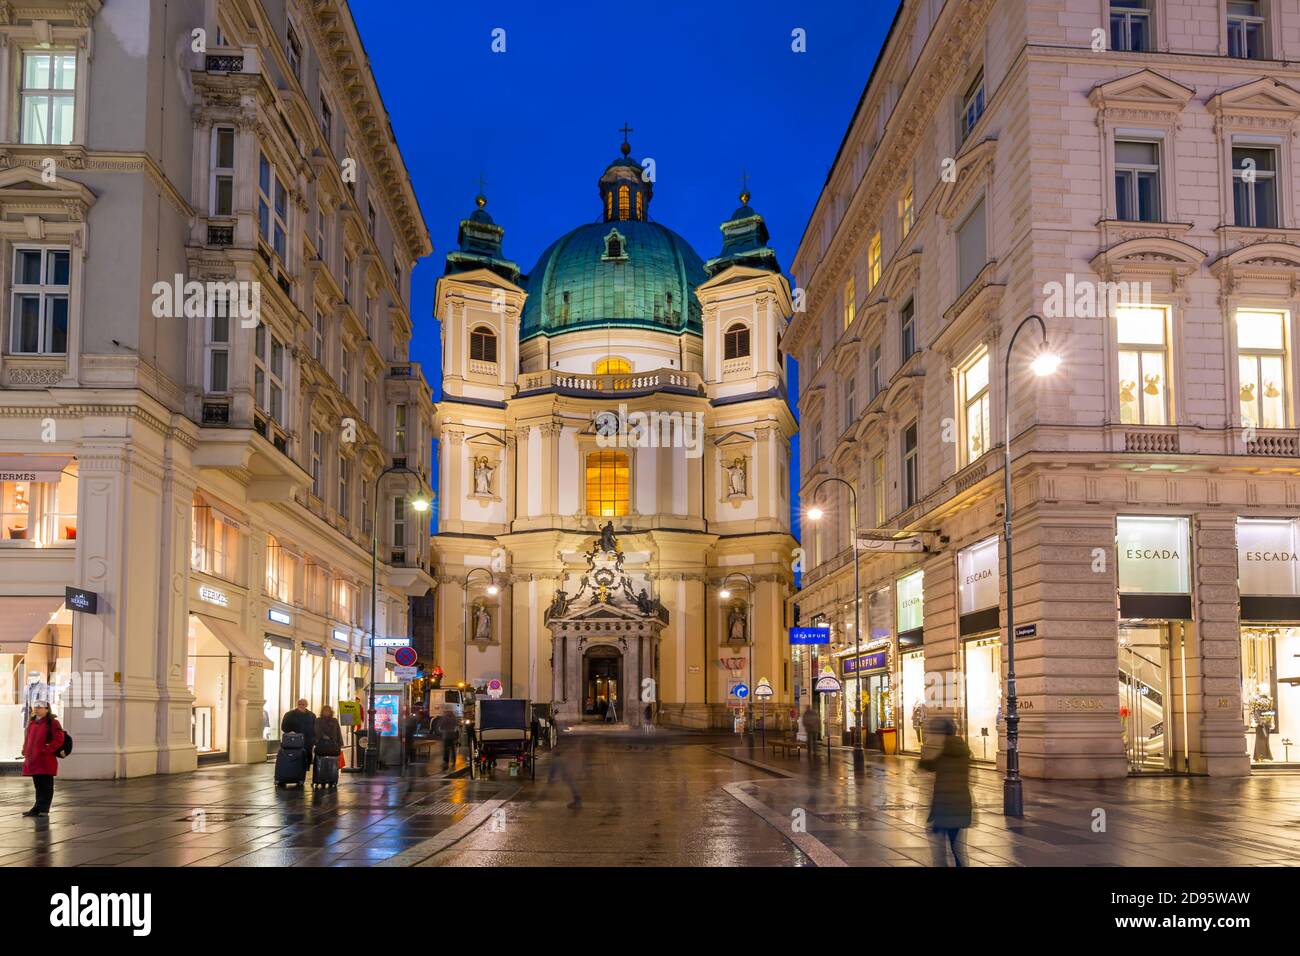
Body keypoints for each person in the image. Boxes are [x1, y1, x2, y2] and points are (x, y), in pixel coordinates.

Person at [919, 717, 973, 867]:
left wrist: (928, 746)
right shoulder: (963, 750)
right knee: (957, 848)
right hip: (961, 805)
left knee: (940, 851)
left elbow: (929, 765)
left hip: (944, 806)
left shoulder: (944, 752)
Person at [22, 701, 65, 817]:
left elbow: (59, 739)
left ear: (47, 709)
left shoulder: (53, 723)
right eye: (35, 707)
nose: (37, 709)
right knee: (38, 785)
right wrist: (25, 750)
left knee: (46, 785)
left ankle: (44, 808)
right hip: (34, 759)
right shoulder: (32, 723)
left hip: (45, 759)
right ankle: (37, 808)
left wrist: (47, 750)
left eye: (40, 707)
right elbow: (28, 739)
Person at [281, 699, 317, 769]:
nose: (301, 706)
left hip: (308, 741)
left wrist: (314, 739)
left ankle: (306, 768)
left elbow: (315, 728)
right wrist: (290, 732)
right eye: (299, 704)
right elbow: (284, 726)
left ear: (306, 705)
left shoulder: (312, 715)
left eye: (303, 704)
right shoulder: (289, 714)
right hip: (294, 741)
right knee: (296, 757)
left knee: (307, 759)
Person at [313, 705, 344, 783]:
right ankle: (319, 779)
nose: (326, 712)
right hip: (321, 744)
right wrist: (322, 737)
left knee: (332, 763)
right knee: (319, 762)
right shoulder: (318, 720)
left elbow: (338, 732)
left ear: (331, 712)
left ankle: (332, 779)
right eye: (325, 711)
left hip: (333, 745)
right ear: (322, 712)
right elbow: (316, 731)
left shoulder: (334, 720)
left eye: (328, 711)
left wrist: (340, 743)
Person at [432, 706, 460, 771]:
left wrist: (441, 731)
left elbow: (440, 727)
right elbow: (456, 726)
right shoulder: (454, 718)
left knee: (446, 750)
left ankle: (446, 762)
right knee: (453, 749)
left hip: (446, 736)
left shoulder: (444, 718)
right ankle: (454, 761)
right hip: (452, 735)